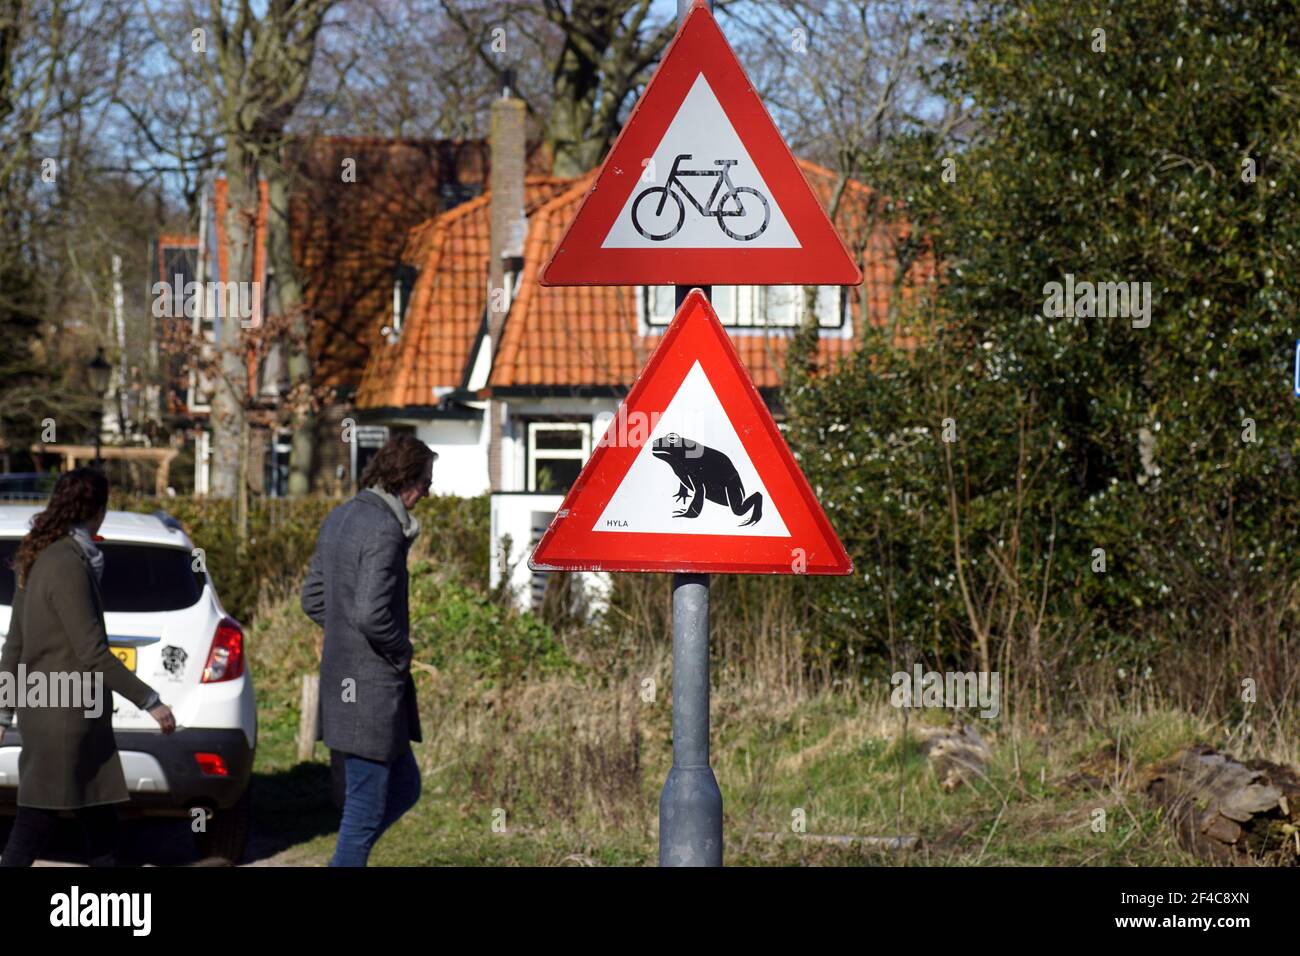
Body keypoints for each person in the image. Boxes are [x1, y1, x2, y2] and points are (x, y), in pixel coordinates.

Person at [0, 467, 175, 867]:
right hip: (67, 719)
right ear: (96, 509)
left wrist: (4, 712)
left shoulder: (39, 552)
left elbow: (14, 646)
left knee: (102, 830)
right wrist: (150, 700)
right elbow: (92, 651)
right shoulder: (67, 563)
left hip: (53, 714)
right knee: (33, 830)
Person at [301, 434, 435, 866]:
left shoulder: (340, 517)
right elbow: (371, 614)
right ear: (406, 479)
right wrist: (401, 650)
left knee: (404, 787)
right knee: (363, 811)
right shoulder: (385, 529)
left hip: (344, 684)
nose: (429, 492)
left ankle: (346, 855)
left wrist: (345, 633)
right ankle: (346, 858)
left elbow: (313, 599)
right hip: (371, 692)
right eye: (426, 482)